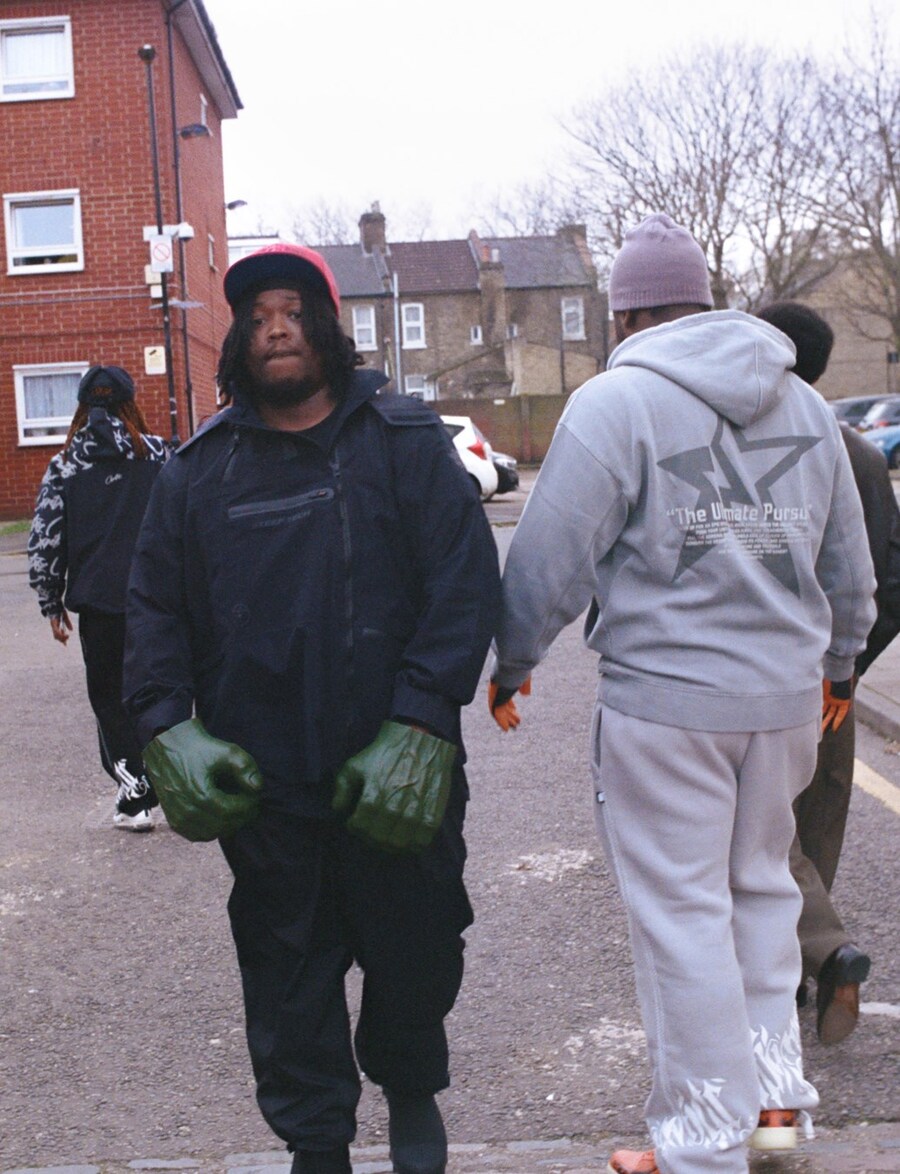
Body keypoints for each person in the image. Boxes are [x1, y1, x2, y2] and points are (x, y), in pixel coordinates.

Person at [489, 214, 876, 1174]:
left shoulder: (616, 403)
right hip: (787, 704)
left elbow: (550, 556)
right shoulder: (804, 409)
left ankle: (703, 1144)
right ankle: (777, 1125)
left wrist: (513, 656)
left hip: (667, 706)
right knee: (761, 901)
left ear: (626, 314)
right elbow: (849, 566)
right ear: (705, 300)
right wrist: (841, 667)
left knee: (683, 918)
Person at [122, 243, 501, 1174]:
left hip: (399, 770)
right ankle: (316, 1139)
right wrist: (166, 723)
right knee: (288, 973)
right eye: (254, 317)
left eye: (291, 310)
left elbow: (462, 586)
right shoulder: (197, 473)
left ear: (326, 326)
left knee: (416, 952)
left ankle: (411, 1088)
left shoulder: (407, 445)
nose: (274, 326)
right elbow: (154, 613)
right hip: (270, 781)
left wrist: (420, 719)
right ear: (238, 345)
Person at [756, 301, 900, 1044]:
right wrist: (849, 664)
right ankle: (819, 973)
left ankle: (814, 959)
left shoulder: (762, 447)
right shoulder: (866, 457)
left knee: (760, 835)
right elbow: (891, 578)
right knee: (818, 827)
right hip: (834, 677)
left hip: (767, 676)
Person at [27, 364, 168, 831]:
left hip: (101, 605)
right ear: (132, 403)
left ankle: (135, 798)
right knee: (159, 693)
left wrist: (51, 603)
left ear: (83, 407)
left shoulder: (66, 465)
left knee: (110, 699)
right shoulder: (162, 457)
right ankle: (169, 784)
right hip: (159, 602)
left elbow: (46, 539)